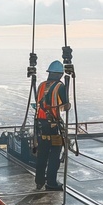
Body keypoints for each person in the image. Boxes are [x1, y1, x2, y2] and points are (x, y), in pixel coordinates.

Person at [34, 60, 70, 190]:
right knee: (54, 154)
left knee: (42, 153)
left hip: (40, 124)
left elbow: (38, 102)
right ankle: (51, 182)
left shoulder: (41, 85)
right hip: (53, 125)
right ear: (60, 74)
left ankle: (39, 181)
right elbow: (65, 106)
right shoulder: (59, 86)